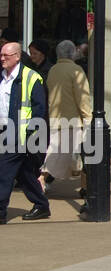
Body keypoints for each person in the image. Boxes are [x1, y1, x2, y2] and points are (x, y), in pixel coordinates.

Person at [0, 40, 50, 220]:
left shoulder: (32, 77)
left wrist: (32, 133)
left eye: (5, 55)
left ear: (16, 57)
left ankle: (0, 211)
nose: (2, 58)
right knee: (24, 172)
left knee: (3, 171)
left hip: (19, 135)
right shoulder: (2, 76)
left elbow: (39, 109)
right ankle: (42, 205)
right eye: (1, 55)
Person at [41, 40, 91, 195]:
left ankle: (84, 186)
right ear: (72, 53)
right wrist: (88, 118)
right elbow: (82, 97)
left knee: (58, 153)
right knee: (83, 155)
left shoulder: (53, 70)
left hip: (55, 118)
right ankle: (42, 180)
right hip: (73, 120)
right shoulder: (76, 70)